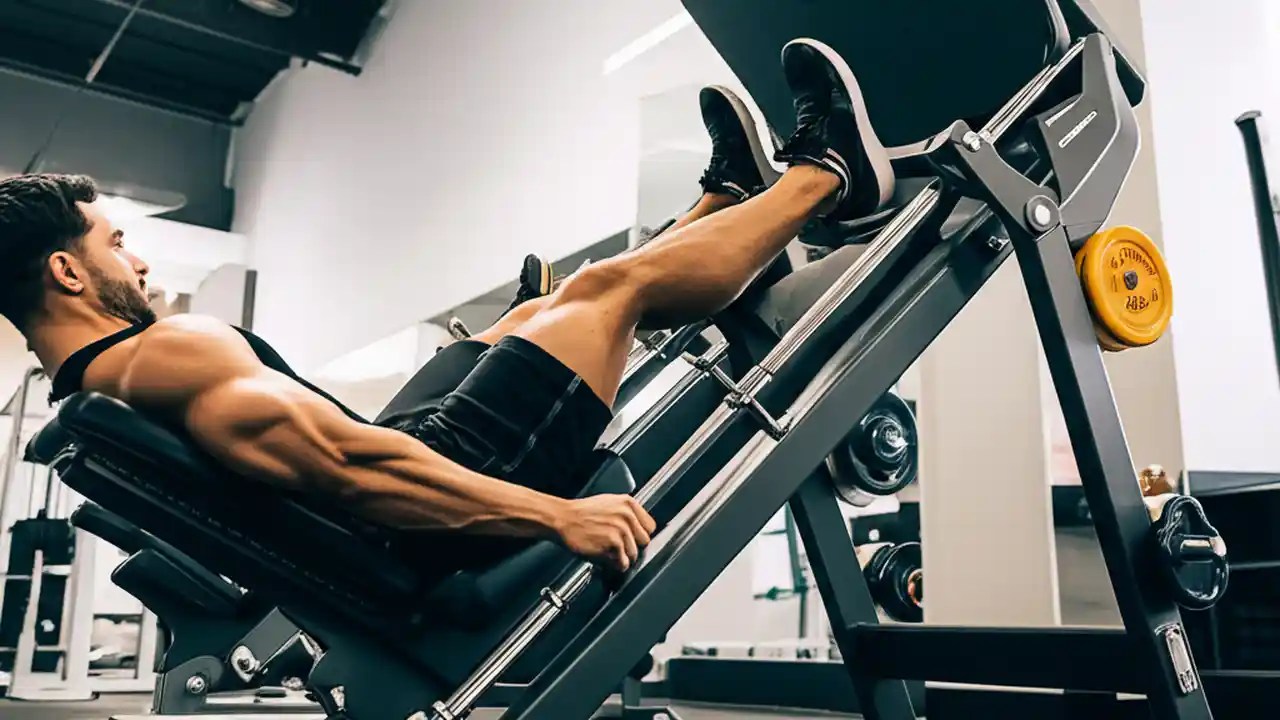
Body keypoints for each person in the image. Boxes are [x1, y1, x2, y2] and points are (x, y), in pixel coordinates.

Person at [0, 40, 893, 579]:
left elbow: (336, 456)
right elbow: (346, 466)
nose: (140, 258)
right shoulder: (165, 354)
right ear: (66, 275)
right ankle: (831, 176)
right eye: (115, 243)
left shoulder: (103, 383)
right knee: (609, 291)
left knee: (553, 307)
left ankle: (722, 203)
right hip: (435, 516)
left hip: (410, 493)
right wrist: (556, 516)